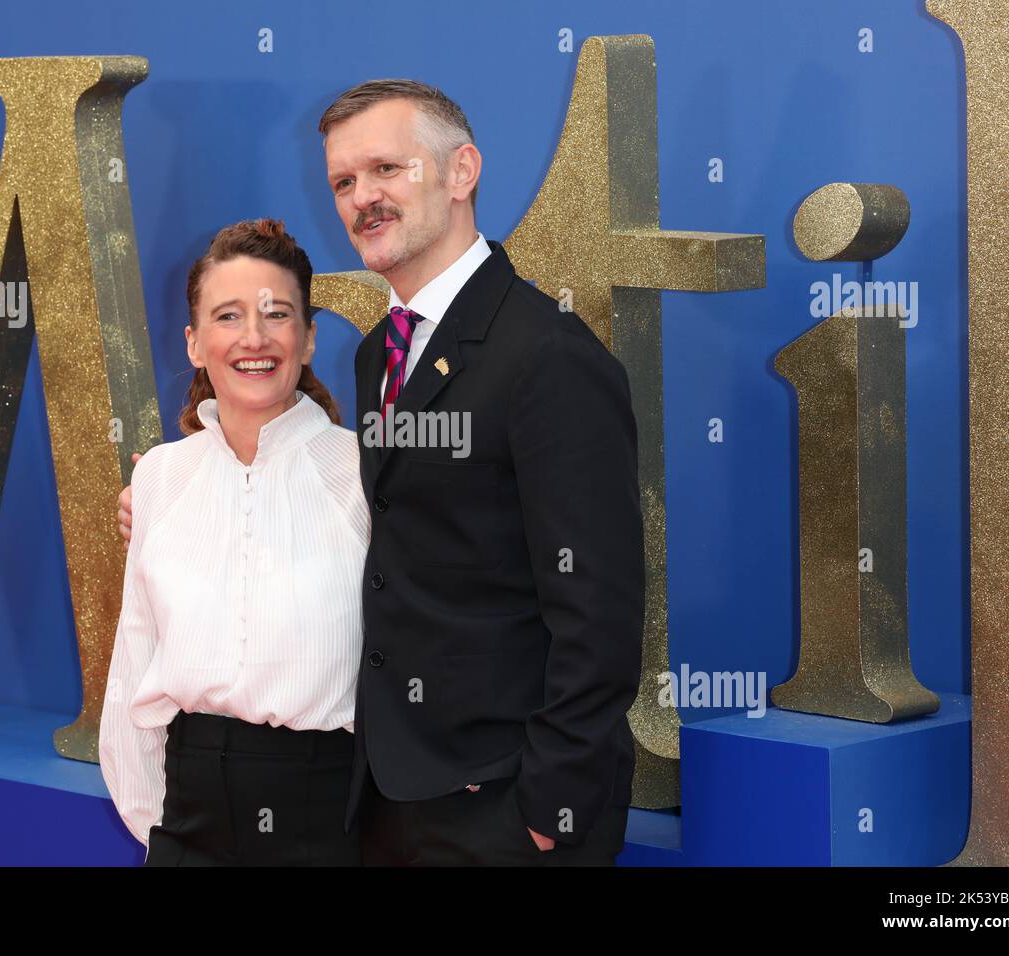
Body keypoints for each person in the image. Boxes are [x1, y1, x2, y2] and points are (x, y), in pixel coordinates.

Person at [120, 79, 644, 866]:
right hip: (391, 804)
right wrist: (178, 498)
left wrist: (547, 812)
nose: (363, 196)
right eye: (343, 181)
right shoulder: (379, 356)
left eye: (387, 169)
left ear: (462, 170)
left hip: (504, 812)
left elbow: (599, 609)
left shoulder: (548, 356)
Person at [99, 218, 368, 866]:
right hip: (188, 823)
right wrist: (161, 832)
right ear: (194, 343)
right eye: (227, 316)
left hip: (331, 822)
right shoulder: (160, 476)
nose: (253, 337)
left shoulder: (367, 475)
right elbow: (135, 662)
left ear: (306, 339)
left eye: (276, 315)